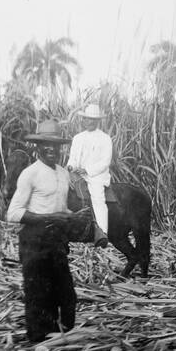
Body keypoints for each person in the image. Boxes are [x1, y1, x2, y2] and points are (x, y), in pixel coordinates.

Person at [6, 119, 79, 344]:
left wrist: (73, 216)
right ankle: (38, 343)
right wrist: (50, 218)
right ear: (38, 146)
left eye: (55, 145)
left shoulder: (63, 174)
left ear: (60, 148)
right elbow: (13, 213)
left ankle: (61, 337)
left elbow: (60, 208)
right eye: (46, 144)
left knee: (66, 294)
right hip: (34, 241)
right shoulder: (30, 174)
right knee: (38, 294)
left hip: (57, 240)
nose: (51, 149)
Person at [67, 103, 111, 247]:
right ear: (84, 120)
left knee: (97, 197)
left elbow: (105, 162)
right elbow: (72, 158)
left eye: (93, 119)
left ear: (98, 121)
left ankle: (102, 232)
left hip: (96, 176)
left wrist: (87, 170)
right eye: (87, 119)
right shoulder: (78, 138)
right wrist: (70, 167)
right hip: (77, 174)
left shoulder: (105, 138)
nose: (89, 122)